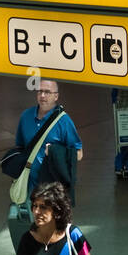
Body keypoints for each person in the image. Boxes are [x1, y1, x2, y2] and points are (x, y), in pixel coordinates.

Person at [13, 79, 82, 211]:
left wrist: (55, 152)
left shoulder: (64, 121)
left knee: (53, 228)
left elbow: (78, 154)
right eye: (40, 91)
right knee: (34, 227)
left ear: (56, 96)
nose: (42, 96)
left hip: (53, 190)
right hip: (29, 188)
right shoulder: (26, 117)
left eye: (47, 92)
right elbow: (20, 148)